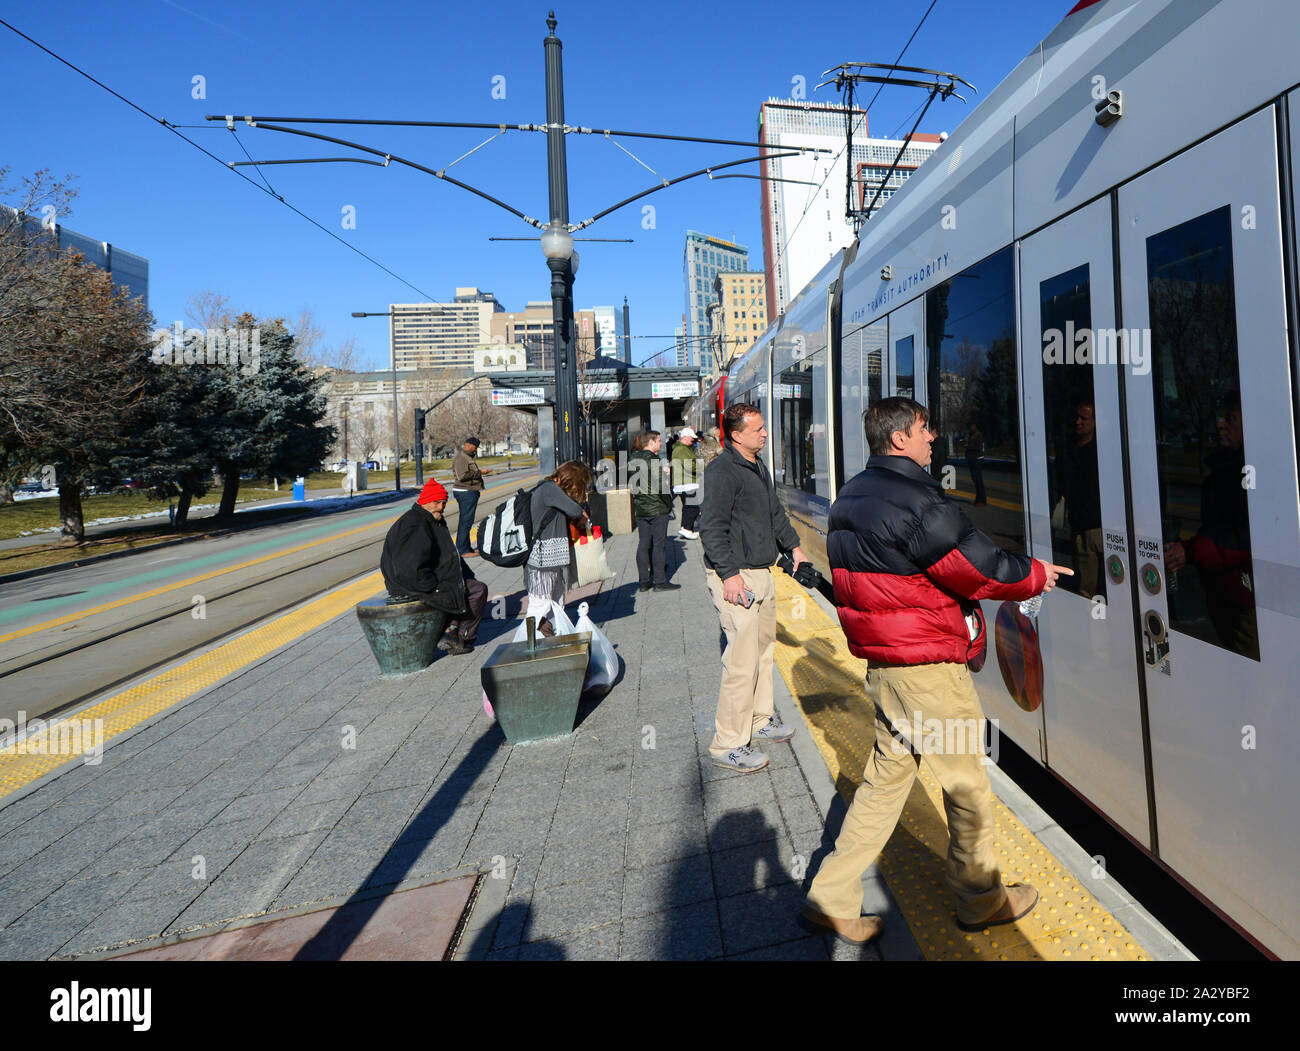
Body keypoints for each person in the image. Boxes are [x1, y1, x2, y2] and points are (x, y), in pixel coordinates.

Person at [800, 397, 1071, 946]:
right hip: (927, 668)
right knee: (967, 782)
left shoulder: (851, 494)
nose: (932, 438)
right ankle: (980, 899)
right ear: (899, 439)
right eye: (924, 429)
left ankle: (830, 895)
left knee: (884, 781)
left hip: (886, 666)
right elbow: (979, 568)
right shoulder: (918, 498)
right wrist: (1035, 574)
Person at [698, 403, 809, 773]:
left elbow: (774, 512)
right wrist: (729, 576)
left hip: (762, 572)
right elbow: (710, 527)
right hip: (737, 577)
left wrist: (794, 547)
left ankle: (760, 721)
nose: (765, 433)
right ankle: (728, 742)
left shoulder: (756, 465)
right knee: (741, 664)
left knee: (763, 653)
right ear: (737, 435)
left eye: (763, 428)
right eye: (758, 429)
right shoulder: (722, 471)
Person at [379, 479, 488, 655]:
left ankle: (451, 629)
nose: (441, 507)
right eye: (437, 502)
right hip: (413, 585)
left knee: (470, 586)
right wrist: (434, 586)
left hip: (424, 579)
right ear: (424, 502)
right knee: (477, 591)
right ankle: (462, 637)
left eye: (444, 502)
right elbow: (409, 567)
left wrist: (465, 576)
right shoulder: (416, 524)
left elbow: (449, 556)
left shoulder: (430, 519)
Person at [525, 460, 592, 636]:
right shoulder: (549, 488)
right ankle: (530, 643)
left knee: (556, 603)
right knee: (539, 605)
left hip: (553, 559)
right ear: (573, 480)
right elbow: (576, 510)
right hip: (541, 560)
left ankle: (552, 639)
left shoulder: (550, 489)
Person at [1059, 402, 1103, 598]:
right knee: (1086, 589)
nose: (1078, 422)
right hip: (1079, 527)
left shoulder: (1102, 452)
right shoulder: (1069, 451)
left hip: (1101, 528)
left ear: (1095, 422)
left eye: (1083, 418)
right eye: (1077, 417)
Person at [630, 430, 678, 592]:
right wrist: (668, 504)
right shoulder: (654, 461)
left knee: (643, 544)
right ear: (650, 442)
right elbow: (662, 488)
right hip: (657, 508)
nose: (661, 443)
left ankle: (644, 582)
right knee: (659, 545)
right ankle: (660, 581)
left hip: (641, 508)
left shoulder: (632, 459)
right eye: (658, 440)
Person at [451, 436, 489, 556]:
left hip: (468, 491)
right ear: (469, 445)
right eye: (475, 448)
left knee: (467, 520)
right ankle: (463, 550)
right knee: (466, 521)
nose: (476, 450)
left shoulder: (466, 457)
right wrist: (480, 472)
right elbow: (462, 476)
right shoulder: (461, 458)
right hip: (465, 492)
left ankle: (467, 548)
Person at [671, 427, 702, 539]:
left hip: (684, 482)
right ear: (685, 437)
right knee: (693, 506)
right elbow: (689, 465)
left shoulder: (681, 448)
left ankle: (686, 529)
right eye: (691, 438)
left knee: (689, 506)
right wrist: (702, 465)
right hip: (687, 482)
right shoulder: (682, 449)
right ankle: (686, 529)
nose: (693, 440)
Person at [965, 421, 986, 505]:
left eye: (970, 426)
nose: (969, 429)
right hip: (972, 459)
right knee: (975, 480)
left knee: (978, 480)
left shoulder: (978, 435)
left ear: (974, 426)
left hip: (976, 459)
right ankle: (978, 499)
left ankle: (982, 500)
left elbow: (978, 447)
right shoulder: (972, 435)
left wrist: (968, 446)